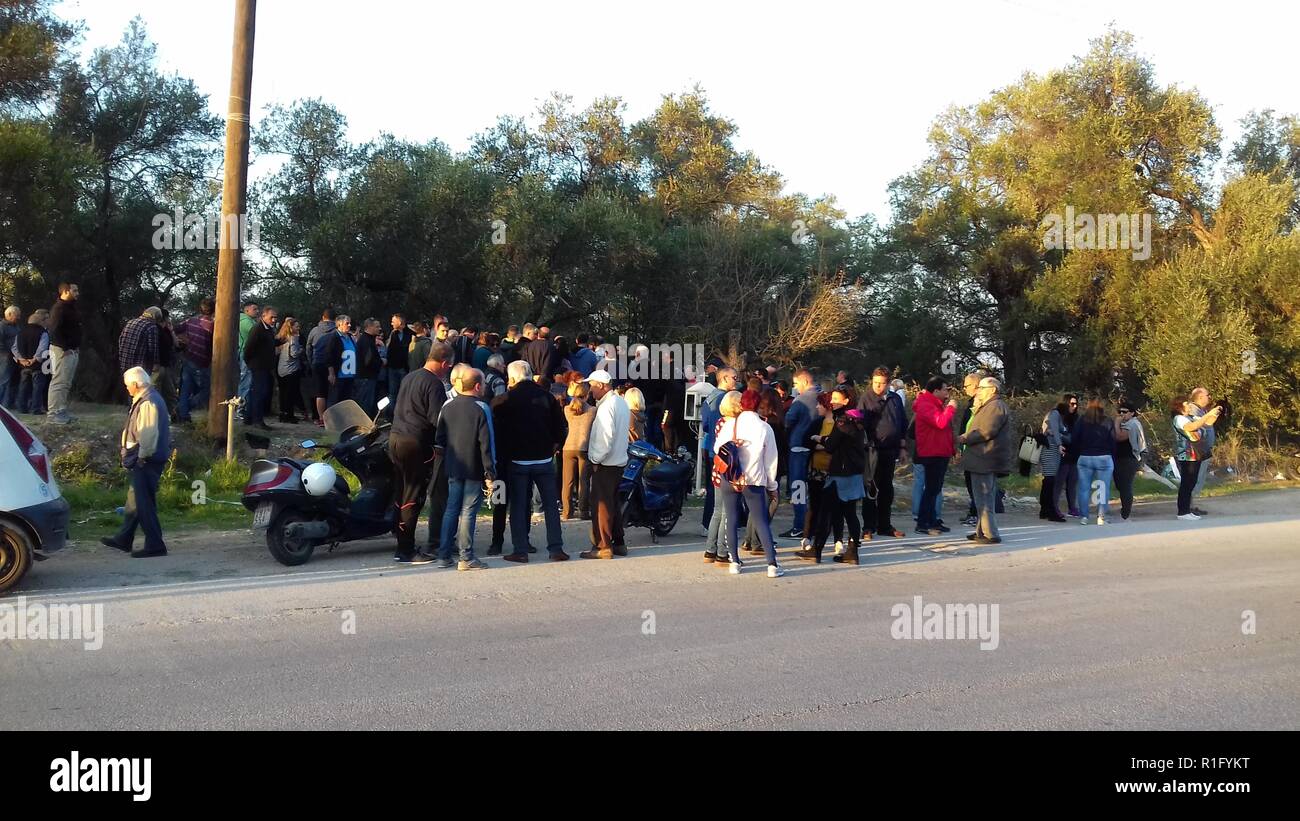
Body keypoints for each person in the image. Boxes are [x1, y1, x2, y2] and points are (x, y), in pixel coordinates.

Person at [493, 360, 568, 562]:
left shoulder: (504, 400)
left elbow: (497, 432)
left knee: (518, 505)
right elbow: (561, 426)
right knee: (551, 505)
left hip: (517, 460)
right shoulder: (547, 397)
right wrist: (555, 445)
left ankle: (521, 549)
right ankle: (556, 548)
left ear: (512, 378)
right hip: (543, 459)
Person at [387, 340, 452, 564]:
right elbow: (438, 419)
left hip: (395, 438)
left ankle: (400, 537)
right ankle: (405, 549)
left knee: (401, 492)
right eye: (449, 366)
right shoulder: (433, 384)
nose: (449, 370)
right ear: (443, 363)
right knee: (413, 496)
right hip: (415, 442)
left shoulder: (409, 376)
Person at [100, 367, 170, 559]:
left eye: (127, 385)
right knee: (134, 501)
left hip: (146, 459)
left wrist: (142, 456)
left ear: (136, 384)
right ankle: (124, 538)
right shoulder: (149, 398)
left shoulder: (147, 402)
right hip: (146, 458)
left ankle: (155, 544)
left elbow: (148, 433)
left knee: (144, 503)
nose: (127, 389)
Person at [713, 390, 784, 577]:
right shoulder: (765, 428)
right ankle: (772, 565)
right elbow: (771, 461)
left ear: (741, 404)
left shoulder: (730, 425)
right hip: (754, 480)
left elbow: (716, 448)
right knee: (761, 521)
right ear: (758, 404)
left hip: (730, 477)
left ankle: (734, 561)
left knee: (731, 519)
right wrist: (772, 487)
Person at [434, 364, 496, 571]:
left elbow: (439, 439)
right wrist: (490, 472)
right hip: (473, 466)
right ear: (477, 386)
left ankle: (443, 554)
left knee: (451, 509)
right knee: (468, 511)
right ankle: (466, 556)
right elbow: (486, 444)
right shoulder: (481, 408)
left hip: (453, 464)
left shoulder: (447, 405)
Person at [795, 398, 866, 564]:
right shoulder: (859, 421)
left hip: (839, 475)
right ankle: (853, 552)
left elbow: (831, 446)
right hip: (855, 473)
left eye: (836, 399)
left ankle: (816, 549)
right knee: (850, 514)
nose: (833, 402)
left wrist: (819, 439)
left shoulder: (842, 422)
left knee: (825, 513)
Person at [958, 377, 1015, 543]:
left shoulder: (995, 406)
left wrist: (964, 438)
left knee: (984, 497)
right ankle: (981, 531)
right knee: (980, 498)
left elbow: (986, 431)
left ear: (992, 390)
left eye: (982, 388)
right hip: (981, 458)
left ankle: (991, 533)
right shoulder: (989, 405)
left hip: (986, 458)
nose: (979, 391)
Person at [582, 369, 630, 559]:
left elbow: (605, 437)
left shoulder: (607, 406)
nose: (590, 390)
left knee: (601, 505)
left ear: (601, 385)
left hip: (606, 462)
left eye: (592, 386)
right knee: (612, 504)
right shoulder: (620, 402)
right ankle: (618, 542)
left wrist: (595, 459)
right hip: (617, 461)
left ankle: (603, 546)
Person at [859, 366, 908, 539]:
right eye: (876, 383)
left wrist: (903, 448)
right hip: (872, 450)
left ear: (888, 383)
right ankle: (868, 527)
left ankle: (884, 525)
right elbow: (860, 424)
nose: (878, 387)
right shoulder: (866, 399)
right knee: (871, 488)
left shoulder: (895, 399)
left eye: (882, 383)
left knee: (887, 489)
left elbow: (902, 424)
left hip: (891, 450)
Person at [913, 377, 958, 536]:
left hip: (940, 451)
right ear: (936, 391)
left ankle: (933, 520)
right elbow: (940, 422)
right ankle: (923, 522)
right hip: (932, 452)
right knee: (931, 489)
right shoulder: (925, 404)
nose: (947, 393)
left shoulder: (936, 404)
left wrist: (952, 450)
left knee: (935, 488)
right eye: (945, 389)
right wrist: (951, 408)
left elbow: (945, 431)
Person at [699, 367, 738, 536]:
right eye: (734, 377)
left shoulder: (710, 396)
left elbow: (705, 424)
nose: (736, 380)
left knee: (712, 487)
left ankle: (708, 524)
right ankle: (716, 527)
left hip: (711, 447)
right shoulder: (723, 399)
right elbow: (716, 424)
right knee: (721, 490)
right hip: (722, 449)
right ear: (724, 378)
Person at [782, 369, 819, 539]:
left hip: (798, 446)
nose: (795, 387)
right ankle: (815, 524)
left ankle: (799, 526)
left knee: (798, 488)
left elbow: (788, 421)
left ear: (804, 381)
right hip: (816, 447)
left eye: (796, 384)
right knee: (815, 488)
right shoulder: (822, 396)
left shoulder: (801, 400)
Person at [1068, 398, 1117, 525]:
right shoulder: (1107, 421)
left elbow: (1075, 438)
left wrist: (1078, 452)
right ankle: (1101, 517)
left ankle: (1084, 516)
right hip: (1104, 457)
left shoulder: (1081, 420)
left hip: (1085, 456)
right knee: (1102, 487)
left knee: (1083, 488)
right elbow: (1113, 440)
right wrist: (1112, 454)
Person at [1171, 395, 1220, 521]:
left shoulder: (1190, 417)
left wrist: (1214, 414)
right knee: (1186, 483)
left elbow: (1206, 423)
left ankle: (1187, 510)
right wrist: (1207, 415)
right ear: (1179, 406)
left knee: (1192, 482)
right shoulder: (1179, 419)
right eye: (1186, 404)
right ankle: (1182, 511)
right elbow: (1191, 427)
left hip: (1196, 454)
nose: (1189, 406)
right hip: (1187, 455)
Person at [46, 282, 81, 424]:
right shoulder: (59, 309)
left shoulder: (71, 308)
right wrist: (65, 348)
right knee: (59, 381)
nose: (78, 293)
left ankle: (61, 409)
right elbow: (54, 330)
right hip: (62, 350)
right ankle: (53, 412)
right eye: (75, 290)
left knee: (66, 382)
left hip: (72, 350)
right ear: (66, 291)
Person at [175, 298, 215, 424]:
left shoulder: (191, 321)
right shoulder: (214, 325)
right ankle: (183, 409)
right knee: (206, 391)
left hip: (188, 358)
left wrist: (182, 341)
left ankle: (183, 413)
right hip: (201, 362)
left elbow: (175, 329)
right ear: (214, 310)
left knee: (186, 389)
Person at [561, 380, 596, 521]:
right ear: (587, 395)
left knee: (567, 481)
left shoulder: (567, 409)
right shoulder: (593, 410)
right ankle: (583, 511)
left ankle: (567, 512)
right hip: (584, 447)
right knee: (584, 481)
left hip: (568, 447)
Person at [242, 305, 279, 431]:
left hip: (264, 366)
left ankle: (249, 418)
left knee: (255, 393)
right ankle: (257, 420)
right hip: (258, 366)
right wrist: (250, 362)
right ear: (264, 316)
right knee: (259, 393)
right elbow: (248, 348)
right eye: (272, 317)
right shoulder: (258, 329)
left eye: (275, 317)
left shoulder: (268, 329)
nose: (274, 320)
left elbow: (271, 343)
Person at [956, 372, 983, 526]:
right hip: (967, 447)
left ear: (975, 385)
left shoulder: (979, 404)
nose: (964, 388)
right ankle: (973, 512)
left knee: (975, 483)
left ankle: (976, 514)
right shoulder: (971, 402)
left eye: (966, 385)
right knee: (969, 482)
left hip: (975, 450)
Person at [1113, 400, 1148, 520]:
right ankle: (1125, 507)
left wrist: (1116, 424)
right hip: (1118, 458)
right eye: (1119, 412)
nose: (1121, 414)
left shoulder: (1132, 424)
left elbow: (1120, 437)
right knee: (1119, 484)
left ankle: (1125, 512)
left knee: (1125, 485)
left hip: (1129, 459)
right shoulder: (1125, 424)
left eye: (1125, 412)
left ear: (1132, 413)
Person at [11, 310, 50, 414]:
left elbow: (14, 347)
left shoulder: (20, 332)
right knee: (37, 387)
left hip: (24, 365)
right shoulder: (43, 332)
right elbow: (43, 347)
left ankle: (21, 407)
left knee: (23, 386)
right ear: (40, 321)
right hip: (38, 365)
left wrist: (21, 359)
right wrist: (35, 359)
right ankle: (35, 408)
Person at [1188, 387, 1217, 516]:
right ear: (1200, 397)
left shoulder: (1200, 410)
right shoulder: (1193, 410)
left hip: (1202, 450)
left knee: (1198, 479)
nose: (1209, 397)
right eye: (1207, 395)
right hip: (1196, 451)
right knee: (1194, 479)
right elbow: (1196, 427)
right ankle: (1188, 507)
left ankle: (1191, 506)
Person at [305, 307, 336, 424]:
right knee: (332, 392)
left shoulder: (314, 331)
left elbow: (308, 347)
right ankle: (332, 419)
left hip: (317, 364)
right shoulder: (336, 331)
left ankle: (321, 418)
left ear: (323, 317)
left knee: (320, 392)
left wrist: (311, 360)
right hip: (332, 365)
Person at [1053, 394, 1081, 517]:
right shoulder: (1058, 416)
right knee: (1059, 482)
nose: (1074, 406)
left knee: (1072, 482)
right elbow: (1055, 432)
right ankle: (1054, 506)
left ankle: (1072, 507)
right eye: (1072, 404)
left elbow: (1075, 436)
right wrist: (1064, 437)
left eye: (1076, 404)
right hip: (1062, 452)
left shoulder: (1077, 418)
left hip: (1074, 453)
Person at [320, 315, 356, 409]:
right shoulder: (334, 337)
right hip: (339, 374)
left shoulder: (350, 337)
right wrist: (331, 373)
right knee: (334, 400)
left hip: (350, 375)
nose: (349, 325)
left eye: (349, 323)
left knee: (346, 401)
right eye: (346, 323)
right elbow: (329, 356)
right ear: (339, 324)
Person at [276, 317, 306, 423]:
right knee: (290, 393)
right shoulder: (294, 338)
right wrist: (301, 350)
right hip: (291, 368)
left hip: (281, 368)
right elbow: (293, 353)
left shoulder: (281, 337)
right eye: (296, 326)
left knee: (283, 393)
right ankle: (289, 415)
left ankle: (283, 414)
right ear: (291, 327)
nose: (299, 328)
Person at [118, 307, 162, 378]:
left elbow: (121, 339)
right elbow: (152, 350)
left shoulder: (130, 322)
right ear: (156, 317)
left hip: (123, 364)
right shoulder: (151, 327)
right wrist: (156, 364)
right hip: (138, 368)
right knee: (139, 388)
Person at [353, 318, 383, 417]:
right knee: (365, 404)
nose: (379, 329)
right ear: (369, 327)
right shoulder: (366, 341)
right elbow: (368, 360)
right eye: (377, 326)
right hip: (366, 377)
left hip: (368, 377)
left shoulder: (369, 340)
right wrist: (381, 362)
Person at [385, 313, 413, 415]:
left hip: (404, 368)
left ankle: (404, 414)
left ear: (400, 322)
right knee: (392, 393)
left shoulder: (410, 334)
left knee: (405, 392)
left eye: (393, 321)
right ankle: (391, 415)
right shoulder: (393, 334)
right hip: (392, 368)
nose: (391, 323)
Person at [236, 300, 259, 417]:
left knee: (246, 380)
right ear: (246, 310)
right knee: (246, 380)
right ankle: (241, 408)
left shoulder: (247, 320)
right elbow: (257, 334)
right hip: (246, 354)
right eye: (254, 309)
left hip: (245, 354)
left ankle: (243, 407)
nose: (257, 311)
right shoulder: (246, 322)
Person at [1, 305, 22, 409]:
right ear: (9, 315)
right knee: (4, 381)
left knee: (14, 381)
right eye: (17, 315)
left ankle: (10, 404)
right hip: (5, 357)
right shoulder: (1, 326)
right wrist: (4, 353)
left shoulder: (16, 326)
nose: (19, 318)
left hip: (16, 357)